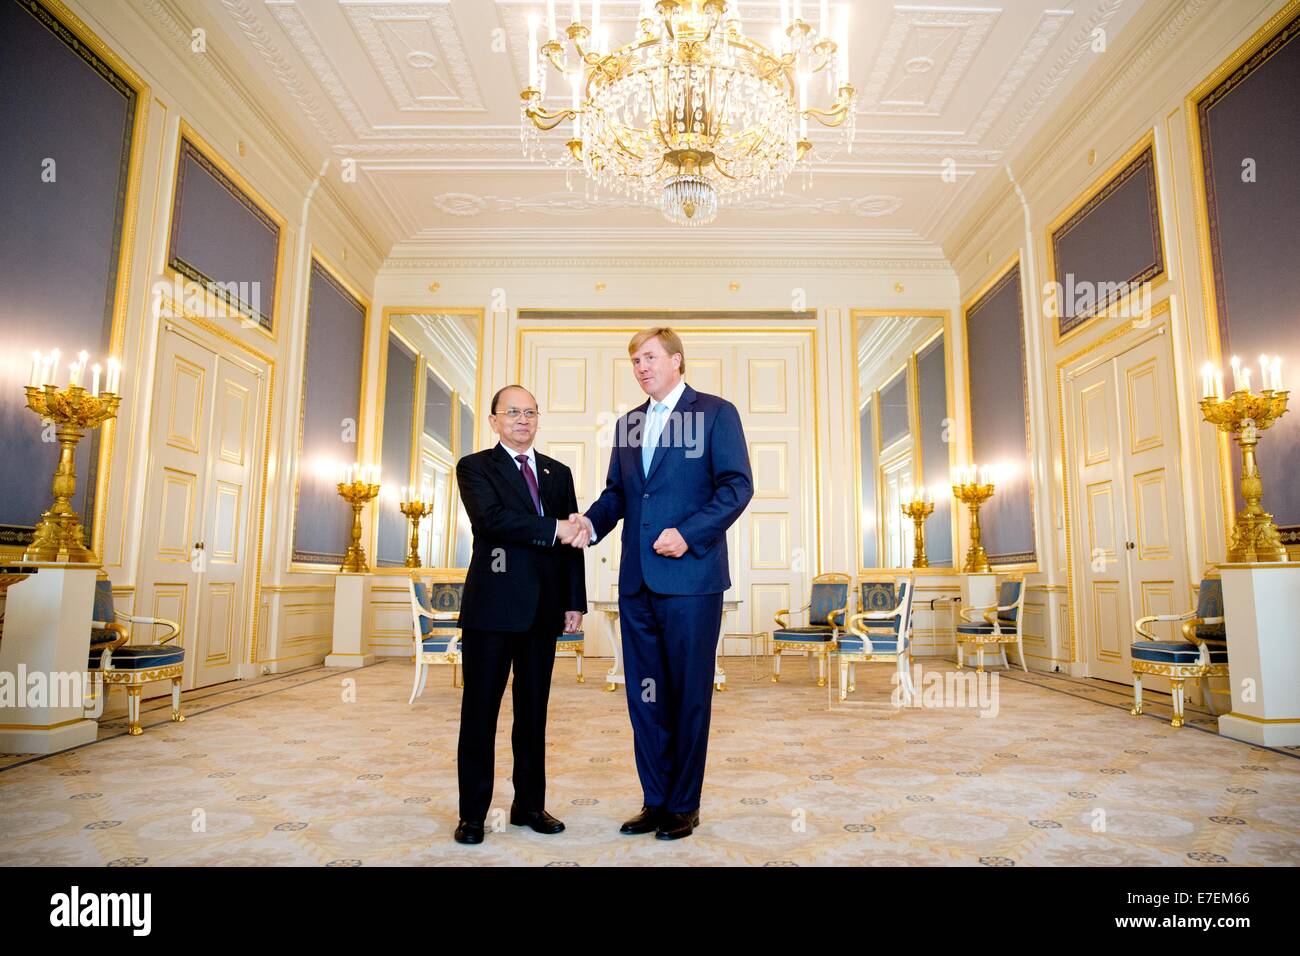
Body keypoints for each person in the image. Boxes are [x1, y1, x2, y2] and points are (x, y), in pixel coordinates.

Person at [568, 328, 753, 840]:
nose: (640, 366)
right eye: (634, 359)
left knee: (688, 692)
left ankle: (683, 804)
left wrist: (689, 534)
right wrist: (589, 523)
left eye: (648, 356)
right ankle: (654, 799)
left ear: (676, 360)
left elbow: (738, 486)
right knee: (644, 695)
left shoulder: (716, 413)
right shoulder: (628, 424)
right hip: (637, 581)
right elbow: (617, 495)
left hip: (692, 579)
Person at [452, 384, 588, 845]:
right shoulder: (474, 467)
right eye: (512, 412)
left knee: (533, 715)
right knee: (480, 713)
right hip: (492, 611)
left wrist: (575, 601)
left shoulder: (557, 472)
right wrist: (555, 527)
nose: (522, 420)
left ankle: (529, 805)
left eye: (530, 412)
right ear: (494, 420)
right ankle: (472, 814)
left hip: (543, 612)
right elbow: (491, 520)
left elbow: (572, 547)